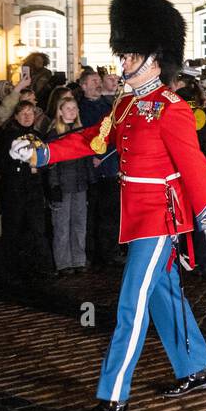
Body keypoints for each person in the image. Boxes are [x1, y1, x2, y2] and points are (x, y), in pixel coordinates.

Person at [12, 0, 206, 411]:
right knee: (165, 295)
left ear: (153, 59)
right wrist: (43, 153)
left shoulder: (173, 108)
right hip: (138, 213)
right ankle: (196, 366)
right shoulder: (127, 103)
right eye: (124, 55)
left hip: (161, 218)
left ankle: (113, 394)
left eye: (130, 56)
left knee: (131, 303)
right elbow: (92, 140)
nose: (123, 63)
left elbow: (195, 166)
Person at [0, 101, 50, 280]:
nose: (27, 117)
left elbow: (46, 161)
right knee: (13, 229)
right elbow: (0, 165)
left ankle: (36, 266)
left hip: (33, 189)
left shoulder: (38, 136)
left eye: (30, 113)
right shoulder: (8, 136)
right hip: (14, 189)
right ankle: (10, 269)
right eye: (23, 113)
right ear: (16, 116)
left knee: (36, 228)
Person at [76, 70, 121, 268]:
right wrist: (92, 156)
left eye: (97, 81)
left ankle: (109, 252)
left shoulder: (108, 106)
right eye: (92, 81)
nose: (96, 84)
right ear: (83, 86)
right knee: (91, 214)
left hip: (109, 167)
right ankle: (91, 253)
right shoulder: (80, 108)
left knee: (110, 212)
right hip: (91, 170)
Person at [43, 90, 89, 275]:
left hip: (79, 184)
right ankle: (63, 262)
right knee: (61, 226)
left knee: (79, 224)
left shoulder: (81, 132)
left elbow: (85, 160)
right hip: (63, 184)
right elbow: (52, 164)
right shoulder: (55, 134)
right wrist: (53, 186)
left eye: (74, 109)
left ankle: (79, 259)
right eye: (67, 109)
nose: (71, 112)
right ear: (60, 112)